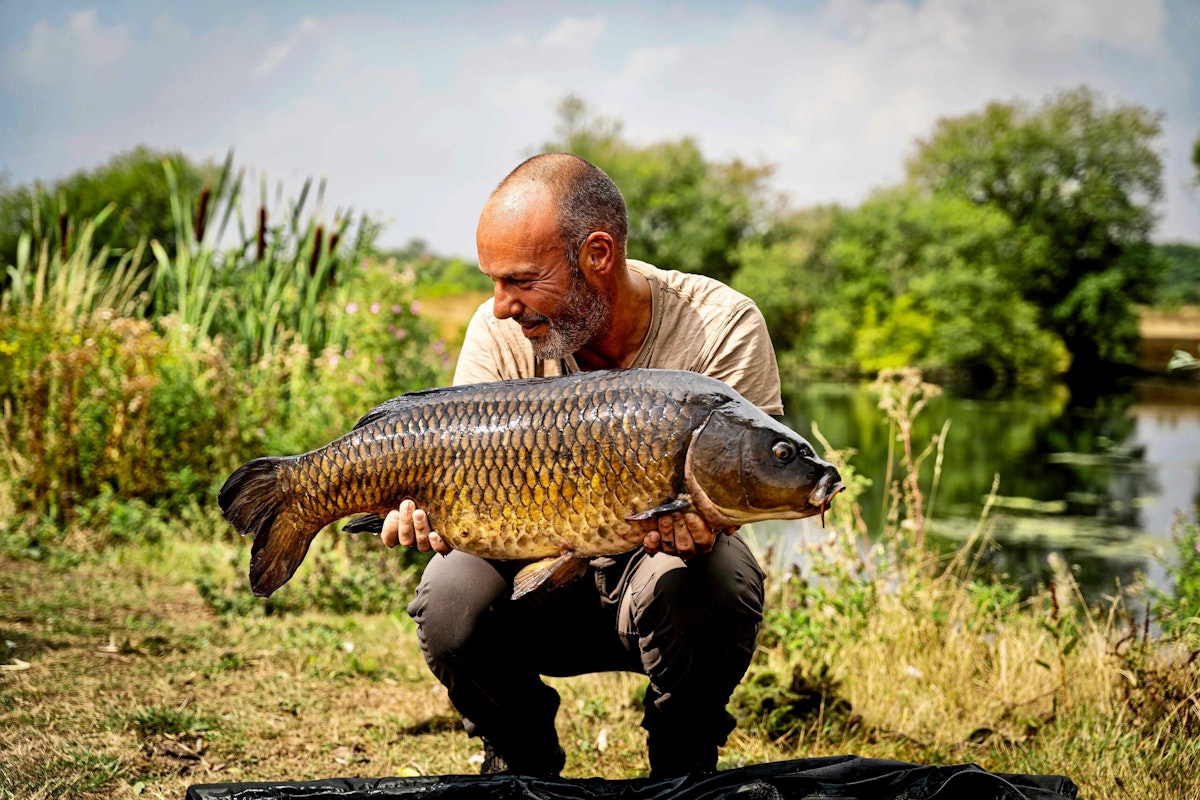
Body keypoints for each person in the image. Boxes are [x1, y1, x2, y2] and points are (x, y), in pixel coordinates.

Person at [380, 153, 784, 778]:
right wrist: (425, 515)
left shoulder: (721, 325)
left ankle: (683, 765)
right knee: (448, 596)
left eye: (520, 279)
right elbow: (448, 474)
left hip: (660, 583)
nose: (500, 305)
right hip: (532, 583)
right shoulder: (499, 333)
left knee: (720, 577)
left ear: (598, 255)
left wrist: (706, 523)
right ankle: (520, 764)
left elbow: (747, 477)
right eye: (492, 281)